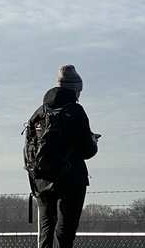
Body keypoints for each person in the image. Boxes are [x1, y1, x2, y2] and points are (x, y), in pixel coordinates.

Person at [29, 65, 99, 248]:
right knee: (65, 233)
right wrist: (93, 141)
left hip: (42, 181)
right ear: (75, 89)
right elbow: (87, 150)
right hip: (71, 180)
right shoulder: (75, 111)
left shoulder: (39, 112)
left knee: (46, 231)